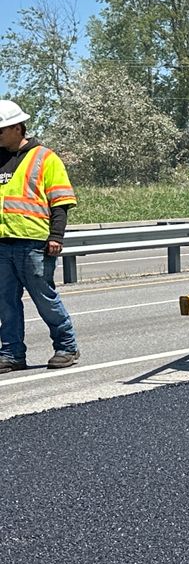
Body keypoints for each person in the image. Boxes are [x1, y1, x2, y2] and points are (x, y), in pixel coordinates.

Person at [0, 100, 80, 371]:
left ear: (17, 127)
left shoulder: (45, 157)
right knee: (6, 304)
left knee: (45, 300)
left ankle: (66, 347)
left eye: (0, 131)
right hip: (2, 243)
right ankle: (12, 353)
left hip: (34, 243)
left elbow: (60, 201)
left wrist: (56, 237)